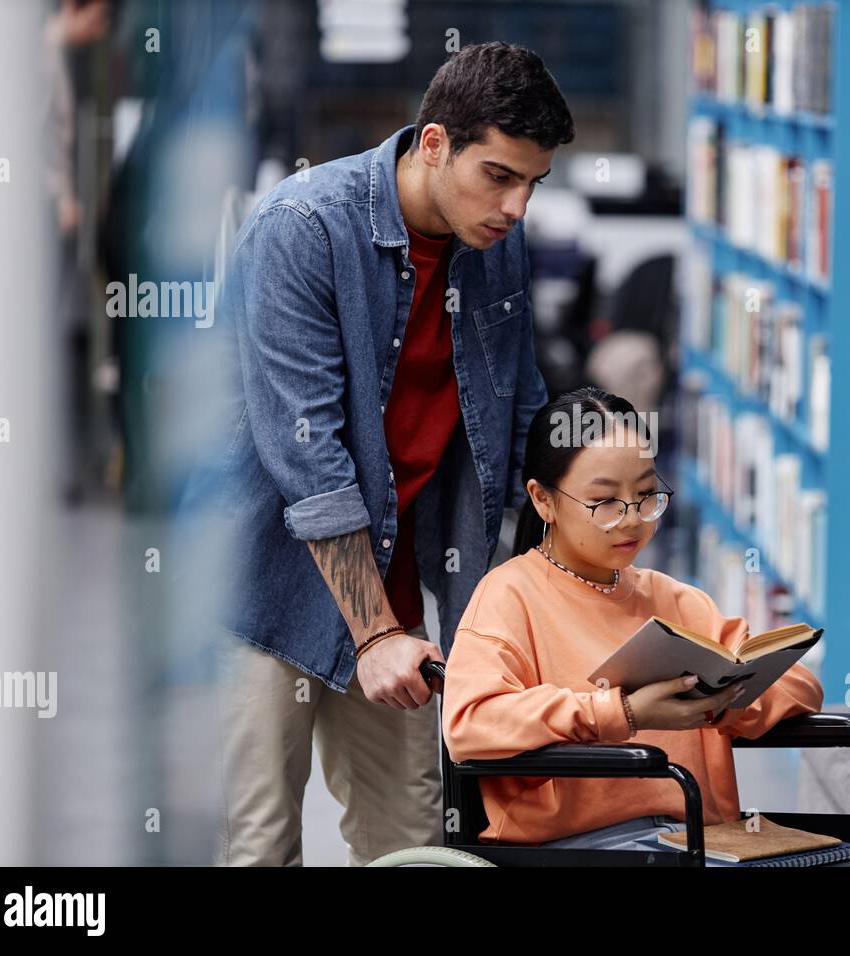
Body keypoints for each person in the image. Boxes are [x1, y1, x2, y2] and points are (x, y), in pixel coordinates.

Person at [211, 42, 572, 866]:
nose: (517, 206)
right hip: (271, 591)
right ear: (434, 142)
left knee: (410, 842)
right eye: (500, 175)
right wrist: (372, 636)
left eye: (532, 183)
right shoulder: (301, 229)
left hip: (403, 590)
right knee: (262, 845)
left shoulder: (492, 243)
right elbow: (310, 460)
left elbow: (519, 415)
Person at [440, 386, 825, 851]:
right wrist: (619, 713)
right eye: (604, 502)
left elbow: (801, 687)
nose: (631, 519)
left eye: (645, 494)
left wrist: (719, 701)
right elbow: (469, 723)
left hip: (701, 841)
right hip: (574, 848)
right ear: (543, 500)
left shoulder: (676, 600)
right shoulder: (508, 596)